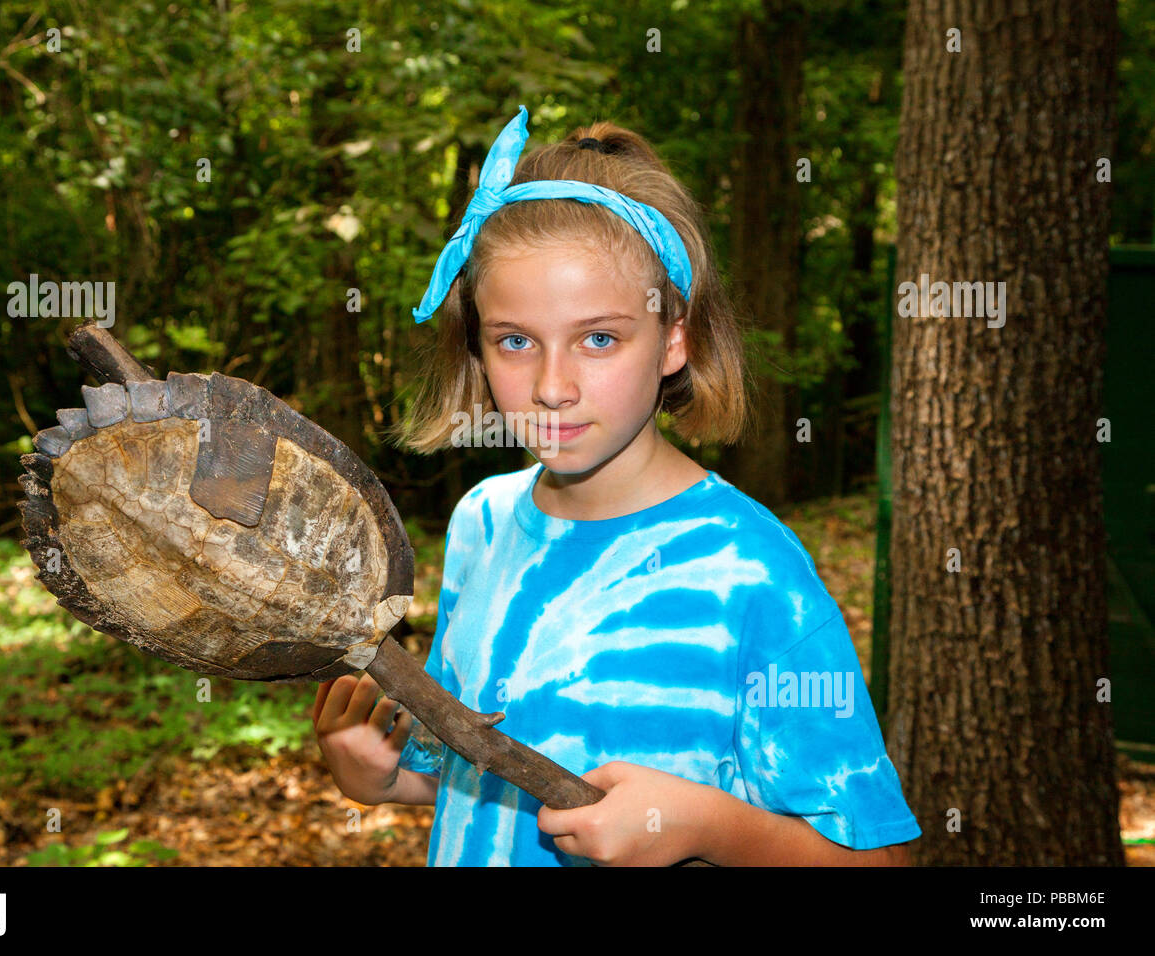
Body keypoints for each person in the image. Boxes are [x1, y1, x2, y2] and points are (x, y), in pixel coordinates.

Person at [312, 104, 920, 866]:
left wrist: (705, 826)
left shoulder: (752, 570)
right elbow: (495, 778)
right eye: (515, 341)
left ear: (675, 338)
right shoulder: (483, 524)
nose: (552, 386)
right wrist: (388, 778)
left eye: (599, 338)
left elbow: (879, 862)